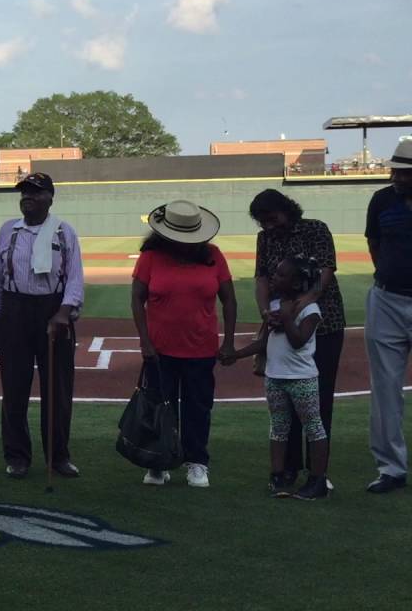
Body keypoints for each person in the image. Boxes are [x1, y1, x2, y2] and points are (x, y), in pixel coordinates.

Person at [130, 200, 236, 488]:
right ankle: (158, 462)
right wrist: (144, 340)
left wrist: (227, 342)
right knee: (160, 408)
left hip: (201, 349)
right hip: (160, 350)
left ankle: (197, 462)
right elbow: (137, 299)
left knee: (198, 408)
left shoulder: (214, 257)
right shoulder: (151, 257)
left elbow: (229, 299)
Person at [0, 172, 85, 480]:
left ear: (50, 198)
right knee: (14, 389)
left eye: (36, 192)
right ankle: (17, 456)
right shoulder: (8, 231)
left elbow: (75, 278)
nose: (28, 196)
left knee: (57, 390)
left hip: (54, 310)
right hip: (15, 311)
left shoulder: (64, 232)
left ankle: (58, 457)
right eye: (24, 192)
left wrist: (63, 313)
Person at [248, 189, 345, 486]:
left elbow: (325, 271)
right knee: (284, 401)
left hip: (322, 321)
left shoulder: (315, 229)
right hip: (281, 325)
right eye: (262, 222)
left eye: (272, 219)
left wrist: (299, 307)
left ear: (287, 210)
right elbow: (262, 277)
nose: (269, 226)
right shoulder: (265, 239)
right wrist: (267, 311)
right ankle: (287, 468)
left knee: (319, 400)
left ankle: (317, 472)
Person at [224, 255, 331, 500]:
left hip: (302, 378)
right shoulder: (274, 306)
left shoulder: (310, 310)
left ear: (296, 284)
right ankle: (278, 476)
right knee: (279, 428)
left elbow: (297, 341)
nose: (274, 277)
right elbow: (263, 342)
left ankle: (318, 481)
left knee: (313, 427)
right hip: (274, 377)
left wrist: (284, 318)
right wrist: (235, 355)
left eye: (281, 275)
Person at [363, 138, 412, 494]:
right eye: (395, 169)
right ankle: (392, 468)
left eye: (405, 172)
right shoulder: (382, 200)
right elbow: (375, 244)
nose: (397, 176)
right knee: (384, 388)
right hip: (387, 299)